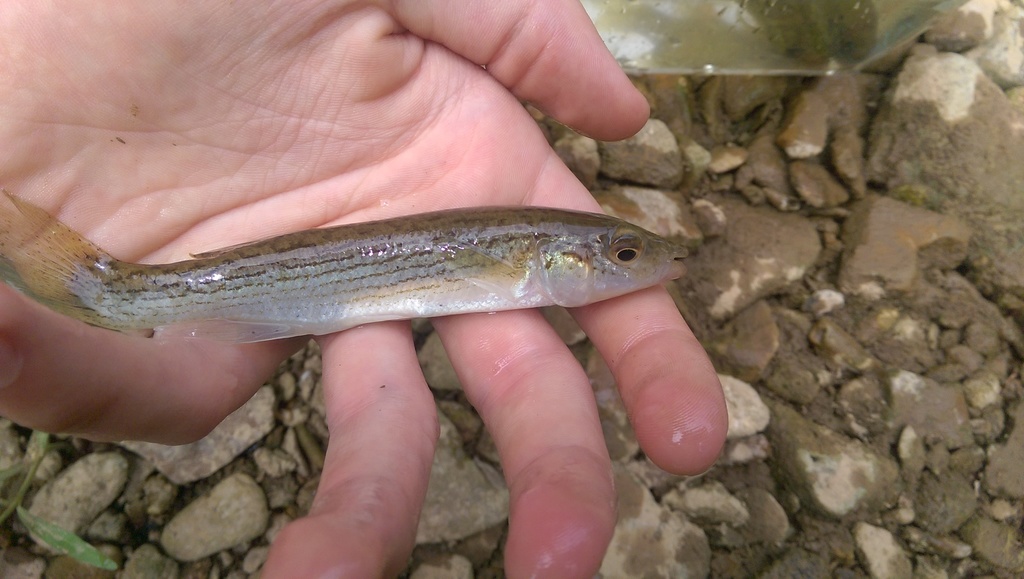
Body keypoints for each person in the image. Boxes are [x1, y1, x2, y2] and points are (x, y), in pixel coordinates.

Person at [0, 2, 727, 576]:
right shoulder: (524, 256)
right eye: (626, 254)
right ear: (551, 258)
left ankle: (99, 290)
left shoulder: (534, 255)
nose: (641, 261)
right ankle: (92, 286)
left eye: (626, 252)